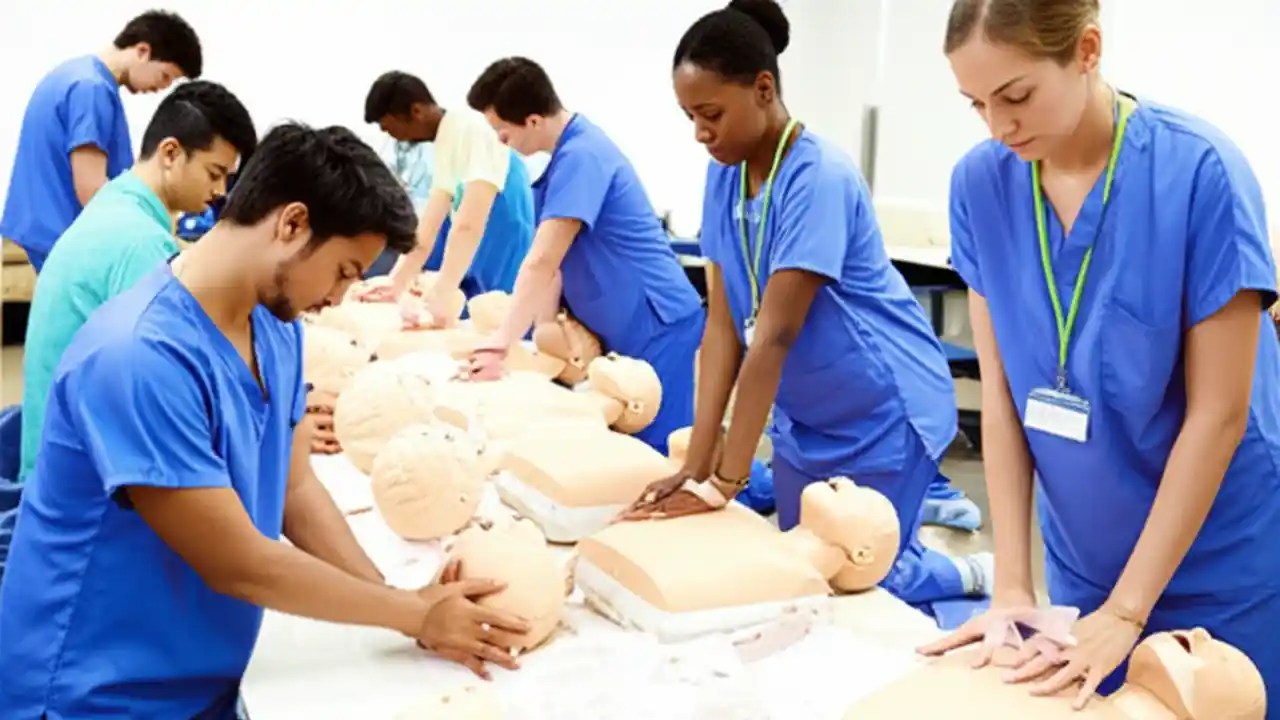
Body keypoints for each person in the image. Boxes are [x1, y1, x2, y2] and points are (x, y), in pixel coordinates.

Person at [0, 123, 528, 718]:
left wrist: (399, 602)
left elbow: (295, 489)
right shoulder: (138, 357)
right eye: (344, 271)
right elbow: (239, 563)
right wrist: (414, 615)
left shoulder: (276, 327)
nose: (339, 297)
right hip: (93, 689)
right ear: (292, 223)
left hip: (197, 669)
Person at [918, 0, 1280, 712]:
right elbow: (1002, 395)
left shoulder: (1199, 173)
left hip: (1223, 561)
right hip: (1087, 557)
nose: (998, 126)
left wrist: (1129, 610)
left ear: (1087, 50)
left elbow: (1219, 414)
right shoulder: (981, 185)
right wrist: (1013, 587)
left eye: (1016, 95)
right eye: (977, 104)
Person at [623, 0, 993, 618]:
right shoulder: (724, 176)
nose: (700, 133)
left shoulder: (817, 177)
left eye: (711, 114)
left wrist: (726, 482)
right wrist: (698, 461)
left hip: (881, 409)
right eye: (690, 117)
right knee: (801, 572)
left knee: (860, 577)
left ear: (763, 89)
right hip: (808, 411)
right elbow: (723, 327)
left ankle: (967, 572)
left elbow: (773, 337)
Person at [18, 80, 257, 485]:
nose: (219, 191)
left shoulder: (118, 206)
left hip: (52, 454)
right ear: (171, 153)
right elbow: (173, 379)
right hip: (77, 480)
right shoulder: (140, 242)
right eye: (214, 173)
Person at [464, 57, 706, 454]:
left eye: (502, 132)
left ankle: (759, 486)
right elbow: (554, 265)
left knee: (661, 450)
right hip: (624, 324)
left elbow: (542, 260)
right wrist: (538, 330)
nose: (501, 142)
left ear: (532, 121)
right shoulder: (564, 160)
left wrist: (500, 343)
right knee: (628, 445)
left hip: (656, 323)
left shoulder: (583, 156)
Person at [0, 10, 202, 272]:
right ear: (143, 51)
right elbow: (92, 190)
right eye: (165, 76)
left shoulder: (73, 75)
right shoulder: (92, 89)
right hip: (54, 245)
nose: (162, 87)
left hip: (35, 236)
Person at [359, 70, 534, 320]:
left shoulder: (471, 129)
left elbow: (470, 224)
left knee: (489, 308)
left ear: (416, 111)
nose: (392, 136)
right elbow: (433, 216)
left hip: (500, 216)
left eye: (389, 127)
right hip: (478, 218)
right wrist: (396, 282)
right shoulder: (446, 139)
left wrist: (443, 292)